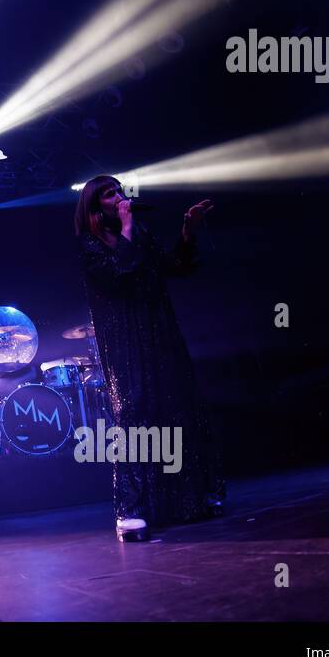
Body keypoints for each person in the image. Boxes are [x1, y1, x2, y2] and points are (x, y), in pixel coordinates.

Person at [74, 175, 223, 541]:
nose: (118, 198)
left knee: (176, 410)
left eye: (118, 191)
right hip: (124, 340)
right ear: (95, 207)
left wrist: (188, 232)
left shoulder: (138, 233)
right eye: (108, 194)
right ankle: (131, 510)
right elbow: (121, 274)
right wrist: (126, 227)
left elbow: (177, 266)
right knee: (134, 414)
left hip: (159, 333)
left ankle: (186, 501)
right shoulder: (90, 244)